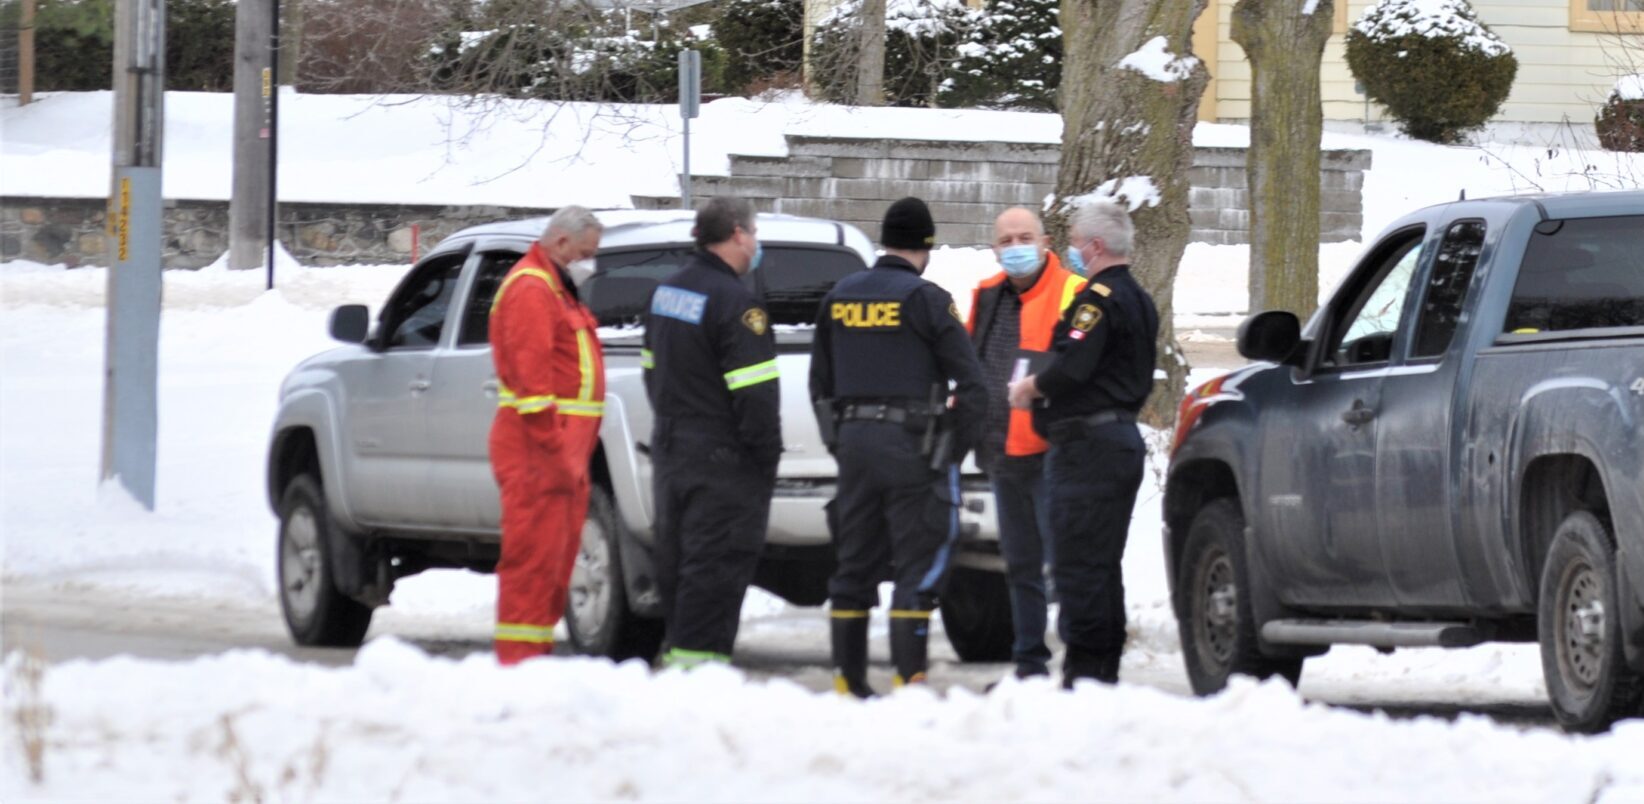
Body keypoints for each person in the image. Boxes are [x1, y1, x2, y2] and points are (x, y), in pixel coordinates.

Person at [811, 197, 986, 697]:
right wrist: (948, 452)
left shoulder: (838, 297)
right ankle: (908, 680)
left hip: (855, 447)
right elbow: (973, 387)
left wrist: (841, 443)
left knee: (853, 565)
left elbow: (819, 386)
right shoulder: (927, 299)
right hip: (913, 447)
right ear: (925, 247)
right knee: (918, 564)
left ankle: (847, 682)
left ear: (885, 241)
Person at [1006, 198, 1158, 687]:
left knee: (1078, 565)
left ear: (1094, 246)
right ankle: (1102, 668)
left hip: (1087, 447)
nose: (1071, 252)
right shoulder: (1139, 297)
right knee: (1103, 564)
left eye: (1073, 243)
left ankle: (1085, 674)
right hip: (1118, 440)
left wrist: (1031, 387)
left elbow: (1072, 364)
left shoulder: (1096, 300)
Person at [643, 197, 782, 669]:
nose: (756, 244)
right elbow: (756, 398)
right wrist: (764, 461)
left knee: (677, 560)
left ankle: (680, 659)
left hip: (672, 450)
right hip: (723, 461)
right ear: (738, 234)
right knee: (716, 566)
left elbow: (651, 372)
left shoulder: (665, 293)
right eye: (755, 233)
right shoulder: (737, 304)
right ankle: (699, 674)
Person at [966, 207, 1086, 680]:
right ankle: (1029, 661)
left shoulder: (1072, 291)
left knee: (1065, 561)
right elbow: (972, 361)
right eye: (1006, 241)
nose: (1016, 248)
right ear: (994, 249)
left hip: (1053, 451)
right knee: (1020, 565)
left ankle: (1080, 663)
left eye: (1024, 238)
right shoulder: (986, 295)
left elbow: (1080, 367)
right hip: (1002, 450)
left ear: (1045, 241)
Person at [488, 206, 606, 665]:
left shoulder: (556, 289)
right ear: (560, 243)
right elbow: (533, 389)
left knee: (554, 567)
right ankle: (519, 664)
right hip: (538, 453)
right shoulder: (532, 290)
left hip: (560, 456)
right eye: (585, 253)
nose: (589, 263)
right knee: (532, 565)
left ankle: (533, 659)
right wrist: (558, 451)